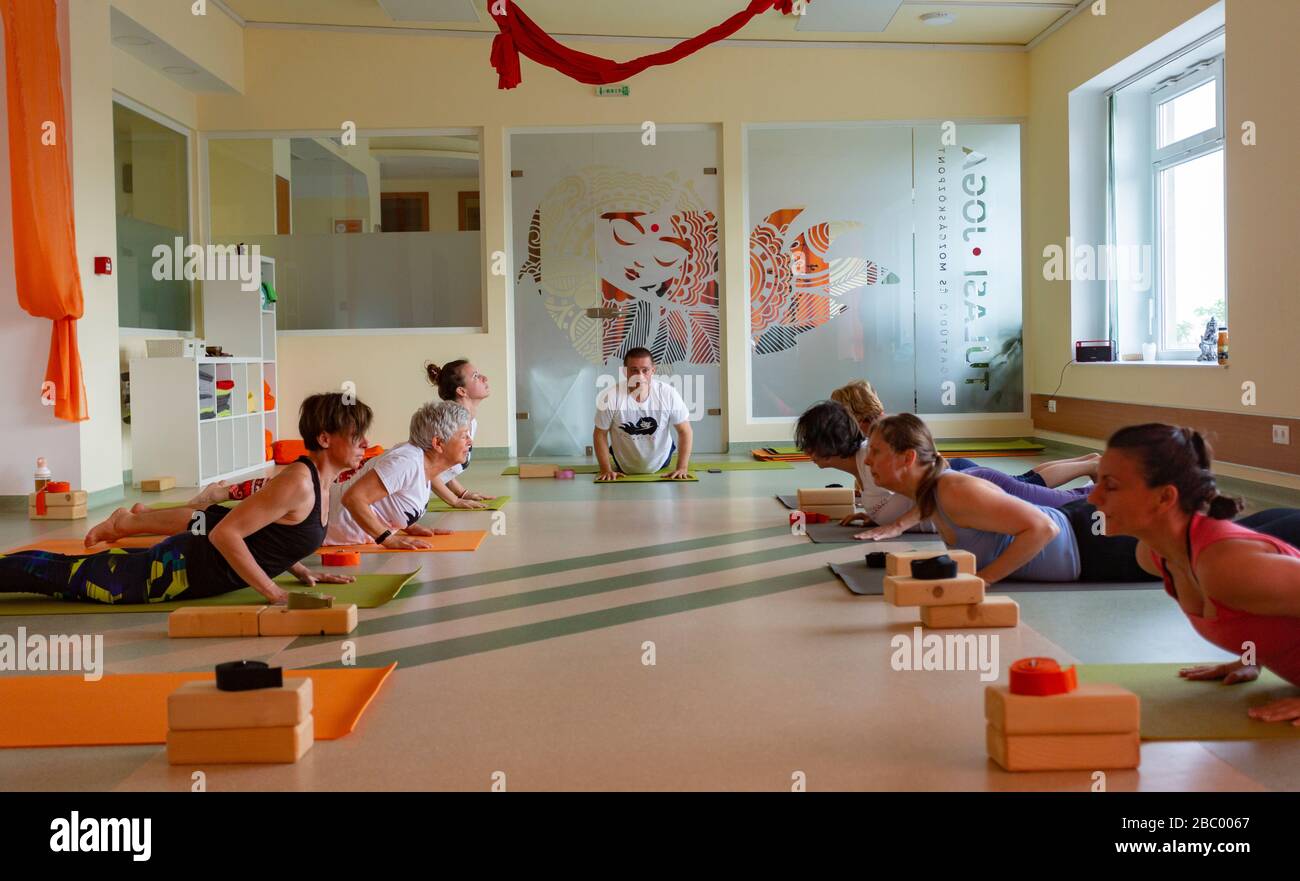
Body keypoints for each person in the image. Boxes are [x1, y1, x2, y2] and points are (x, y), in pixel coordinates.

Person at [1, 393, 370, 605]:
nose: (364, 444)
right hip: (180, 569)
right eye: (357, 436)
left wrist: (299, 568)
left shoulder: (317, 484)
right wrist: (274, 593)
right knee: (61, 575)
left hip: (192, 560)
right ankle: (125, 525)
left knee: (203, 516)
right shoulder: (299, 483)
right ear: (325, 438)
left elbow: (268, 533)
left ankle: (128, 524)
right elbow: (226, 534)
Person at [1090, 424, 1300, 725]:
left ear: (1164, 498)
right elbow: (1269, 614)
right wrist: (1255, 653)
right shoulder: (1153, 556)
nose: (1092, 498)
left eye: (1110, 486)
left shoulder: (1226, 565)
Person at [794, 401, 1093, 534]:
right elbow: (903, 497)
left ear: (829, 442)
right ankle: (1089, 466)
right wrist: (873, 515)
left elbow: (934, 477)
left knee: (1061, 501)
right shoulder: (865, 465)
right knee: (1031, 484)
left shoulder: (873, 457)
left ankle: (1097, 470)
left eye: (810, 443)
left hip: (968, 481)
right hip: (966, 484)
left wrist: (896, 524)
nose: (806, 451)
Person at [831, 379, 1100, 489]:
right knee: (1023, 479)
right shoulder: (882, 424)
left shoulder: (884, 428)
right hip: (957, 468)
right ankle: (1086, 460)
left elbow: (923, 460)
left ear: (855, 411)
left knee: (1027, 486)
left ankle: (1090, 464)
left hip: (957, 472)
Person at [594, 347, 693, 480]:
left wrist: (682, 468)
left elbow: (685, 431)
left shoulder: (668, 393)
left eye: (645, 370)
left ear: (653, 370)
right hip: (623, 463)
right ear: (625, 371)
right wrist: (605, 470)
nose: (639, 376)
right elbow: (600, 433)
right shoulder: (610, 396)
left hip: (662, 460)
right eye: (634, 370)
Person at [425, 359, 495, 509]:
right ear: (461, 391)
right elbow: (427, 469)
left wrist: (463, 493)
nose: (485, 378)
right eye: (476, 376)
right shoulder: (450, 423)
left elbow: (444, 469)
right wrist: (454, 500)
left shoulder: (470, 423)